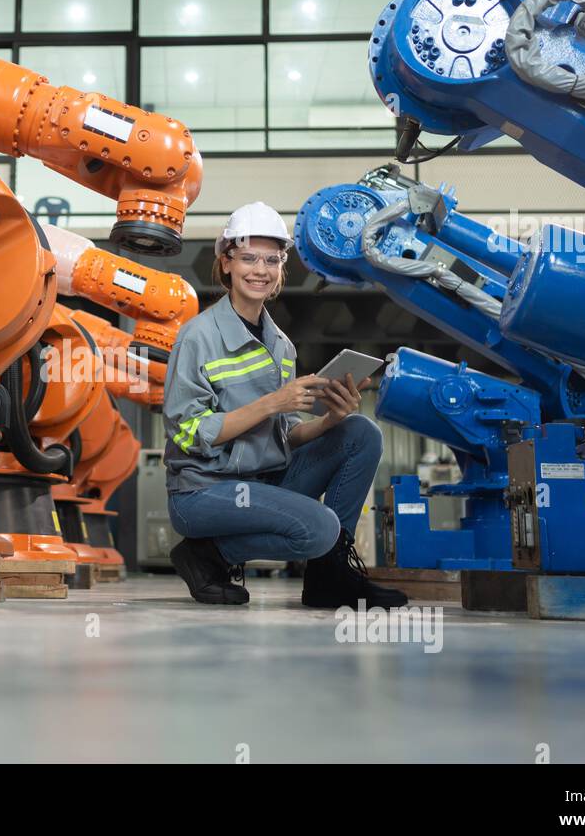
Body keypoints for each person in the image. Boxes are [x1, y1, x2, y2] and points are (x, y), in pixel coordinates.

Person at [162, 202, 406, 609]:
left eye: (272, 260)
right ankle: (207, 554)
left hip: (264, 482)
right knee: (319, 526)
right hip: (203, 493)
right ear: (226, 263)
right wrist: (271, 402)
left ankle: (330, 578)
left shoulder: (281, 345)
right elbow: (189, 432)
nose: (260, 269)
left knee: (361, 432)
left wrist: (332, 418)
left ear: (282, 269)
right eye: (248, 258)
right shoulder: (198, 337)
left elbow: (287, 433)